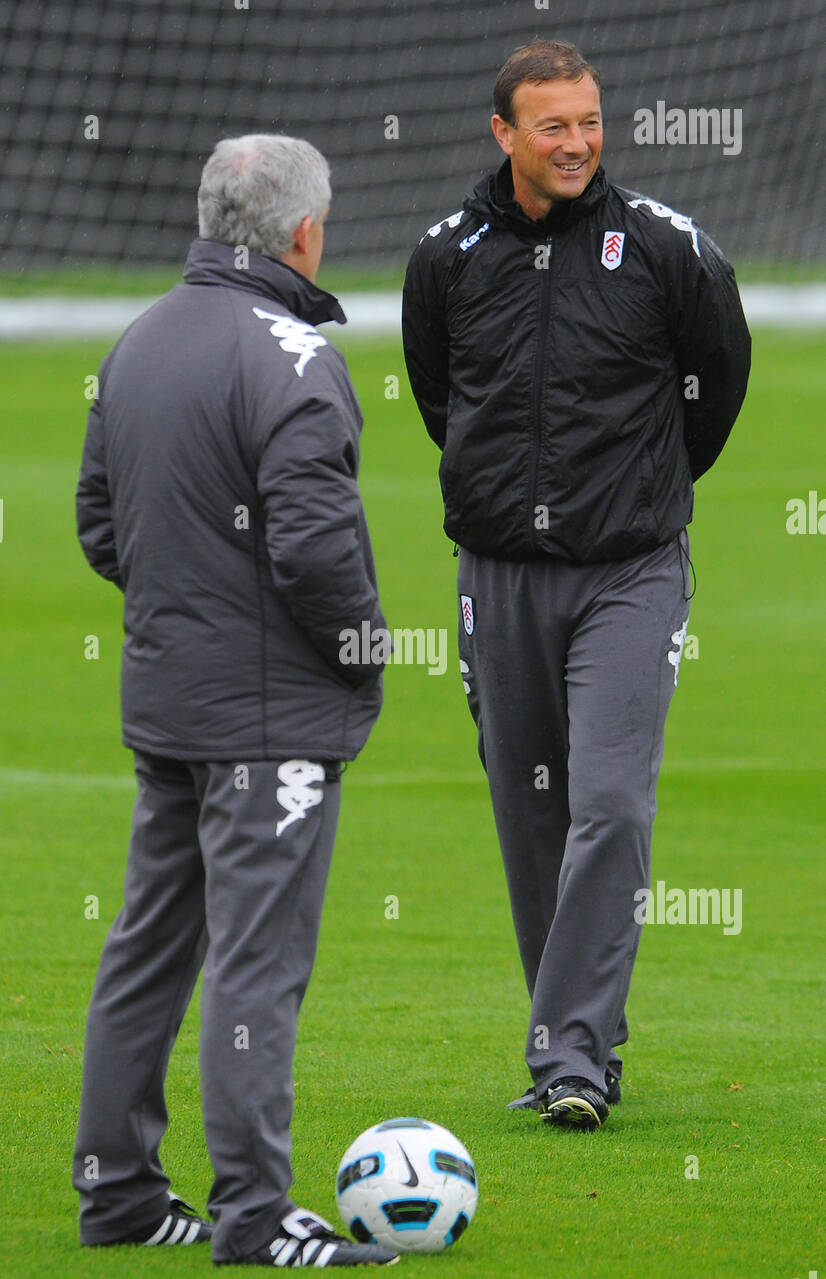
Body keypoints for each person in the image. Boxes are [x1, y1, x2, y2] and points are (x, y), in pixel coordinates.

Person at [402, 40, 750, 1129]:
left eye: (588, 121)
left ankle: (572, 1058)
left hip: (628, 574)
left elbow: (714, 388)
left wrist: (636, 493)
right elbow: (436, 397)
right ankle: (580, 1030)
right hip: (496, 576)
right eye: (550, 125)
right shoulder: (445, 255)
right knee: (531, 813)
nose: (576, 143)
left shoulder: (663, 248)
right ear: (502, 133)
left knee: (606, 804)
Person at [74, 134, 398, 1267]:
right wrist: (364, 651)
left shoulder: (136, 342)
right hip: (271, 721)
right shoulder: (293, 352)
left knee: (149, 946)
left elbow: (100, 528)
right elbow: (314, 548)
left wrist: (191, 607)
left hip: (169, 702)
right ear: (304, 232)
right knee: (257, 962)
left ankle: (117, 1192)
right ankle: (255, 1215)